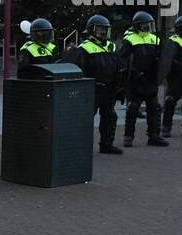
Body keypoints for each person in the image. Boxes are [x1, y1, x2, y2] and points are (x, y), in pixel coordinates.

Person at [71, 13, 123, 155]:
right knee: (86, 119)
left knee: (110, 117)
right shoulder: (84, 48)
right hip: (92, 89)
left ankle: (106, 145)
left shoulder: (111, 47)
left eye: (105, 29)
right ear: (92, 30)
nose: (103, 32)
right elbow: (79, 70)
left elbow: (119, 66)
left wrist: (120, 85)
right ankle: (80, 147)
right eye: (100, 29)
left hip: (109, 89)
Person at [120, 10, 168, 147]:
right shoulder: (129, 39)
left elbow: (163, 59)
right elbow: (123, 60)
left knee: (154, 109)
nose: (147, 27)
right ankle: (128, 137)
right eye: (144, 25)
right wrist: (133, 74)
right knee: (133, 109)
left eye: (148, 25)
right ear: (137, 25)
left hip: (151, 79)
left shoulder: (155, 39)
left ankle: (154, 136)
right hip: (136, 81)